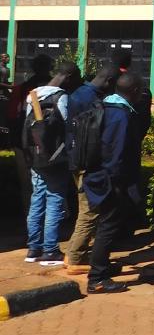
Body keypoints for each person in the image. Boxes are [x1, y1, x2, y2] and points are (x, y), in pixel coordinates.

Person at [83, 72, 148, 294]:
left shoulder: (104, 106)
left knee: (106, 225)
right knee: (107, 227)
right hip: (110, 180)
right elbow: (116, 152)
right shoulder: (121, 116)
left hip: (98, 175)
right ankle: (97, 278)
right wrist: (117, 183)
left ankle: (101, 267)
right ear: (135, 91)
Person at [23, 61, 83, 267]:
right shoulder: (61, 97)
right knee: (55, 200)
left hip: (35, 156)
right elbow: (68, 129)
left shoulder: (33, 95)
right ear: (68, 77)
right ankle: (50, 250)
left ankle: (33, 248)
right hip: (56, 158)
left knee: (37, 197)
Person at [63, 64, 120, 275]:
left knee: (87, 209)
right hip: (85, 163)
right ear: (108, 82)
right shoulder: (90, 99)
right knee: (89, 211)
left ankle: (78, 253)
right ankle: (75, 257)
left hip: (76, 159)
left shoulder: (80, 93)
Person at [9, 54, 53, 214]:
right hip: (50, 145)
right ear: (51, 67)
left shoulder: (22, 89)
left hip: (23, 143)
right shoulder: (56, 90)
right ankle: (51, 220)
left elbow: (13, 116)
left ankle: (31, 219)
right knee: (52, 185)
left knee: (28, 185)